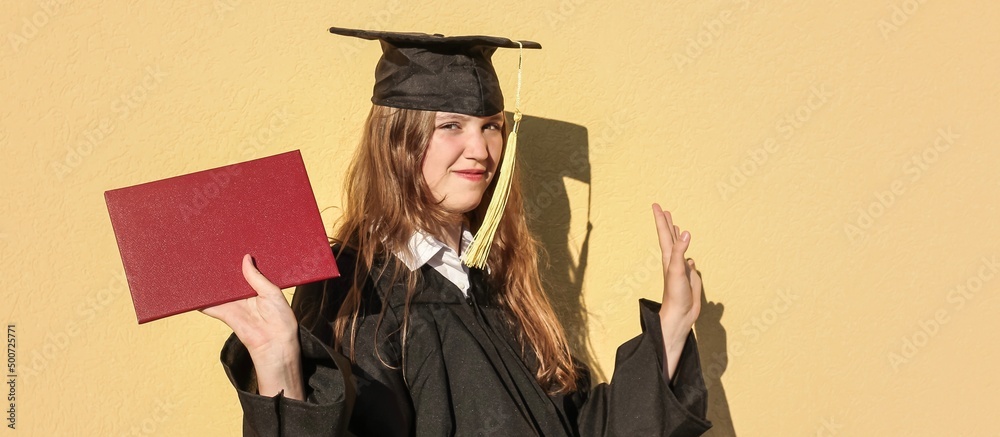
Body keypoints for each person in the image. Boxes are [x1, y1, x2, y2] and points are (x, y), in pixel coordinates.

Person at [201, 27, 713, 436]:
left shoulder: (497, 280)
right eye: (451, 126)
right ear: (398, 141)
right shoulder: (354, 289)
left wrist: (671, 325)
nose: (480, 149)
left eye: (491, 125)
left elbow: (578, 425)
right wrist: (279, 363)